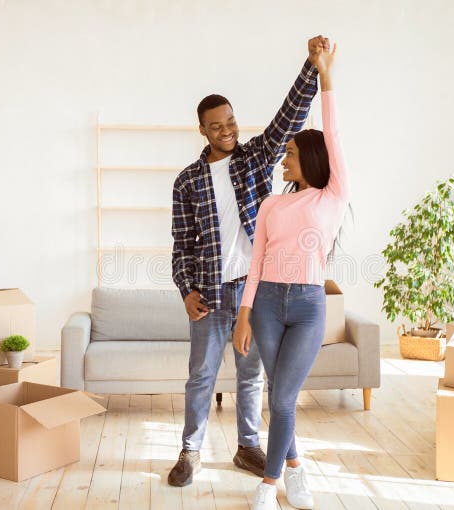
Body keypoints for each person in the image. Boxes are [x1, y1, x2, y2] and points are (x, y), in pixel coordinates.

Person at [168, 36, 330, 488]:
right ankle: (191, 451)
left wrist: (312, 65)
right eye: (216, 126)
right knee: (200, 375)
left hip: (255, 291)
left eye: (231, 121)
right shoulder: (186, 182)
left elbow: (290, 115)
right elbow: (181, 245)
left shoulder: (257, 158)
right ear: (202, 129)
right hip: (208, 294)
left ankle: (247, 447)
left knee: (251, 374)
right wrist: (186, 290)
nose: (227, 130)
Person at [233, 40, 346, 510]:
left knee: (282, 400)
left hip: (306, 306)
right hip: (264, 307)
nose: (284, 158)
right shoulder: (270, 205)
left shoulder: (333, 196)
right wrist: (243, 314)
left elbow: (334, 133)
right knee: (278, 394)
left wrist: (325, 77)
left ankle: (267, 484)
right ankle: (295, 472)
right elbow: (255, 263)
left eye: (292, 152)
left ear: (313, 159)